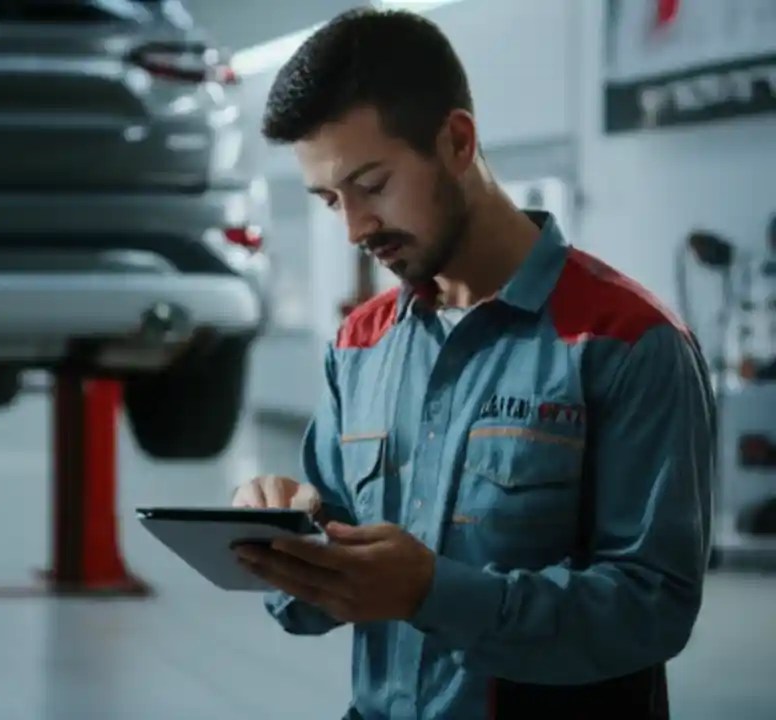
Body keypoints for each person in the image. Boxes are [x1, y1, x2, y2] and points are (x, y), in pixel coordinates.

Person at [230, 8, 716, 720]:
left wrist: (433, 593)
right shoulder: (360, 346)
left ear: (457, 142)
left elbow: (652, 609)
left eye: (372, 184)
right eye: (330, 198)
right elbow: (316, 593)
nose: (354, 227)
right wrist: (283, 538)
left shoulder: (628, 342)